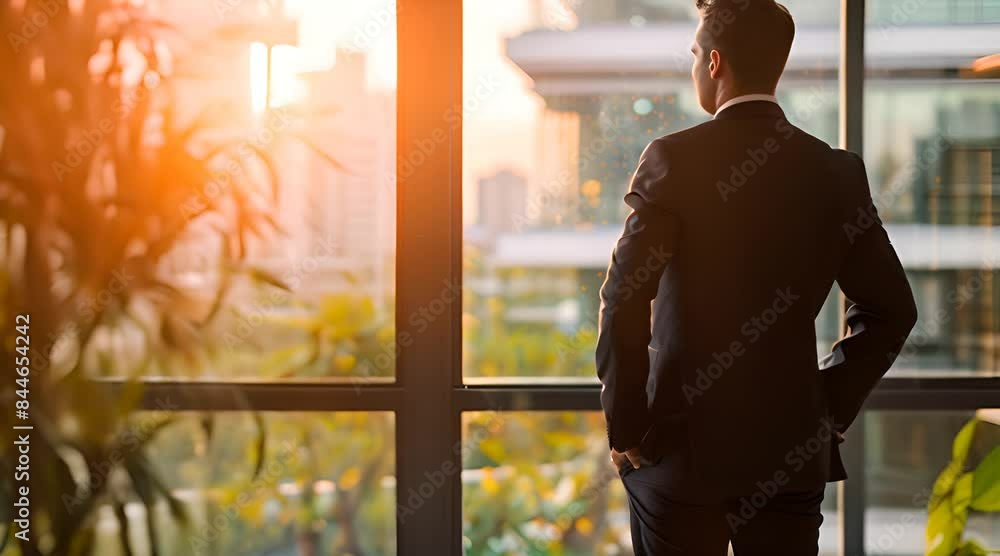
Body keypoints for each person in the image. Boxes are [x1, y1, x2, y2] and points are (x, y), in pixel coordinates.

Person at [595, 1, 918, 554]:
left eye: (695, 54)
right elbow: (893, 311)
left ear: (714, 63)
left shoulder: (674, 160)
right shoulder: (835, 172)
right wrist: (825, 408)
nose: (694, 66)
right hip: (788, 455)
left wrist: (627, 429)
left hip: (679, 453)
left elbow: (623, 298)